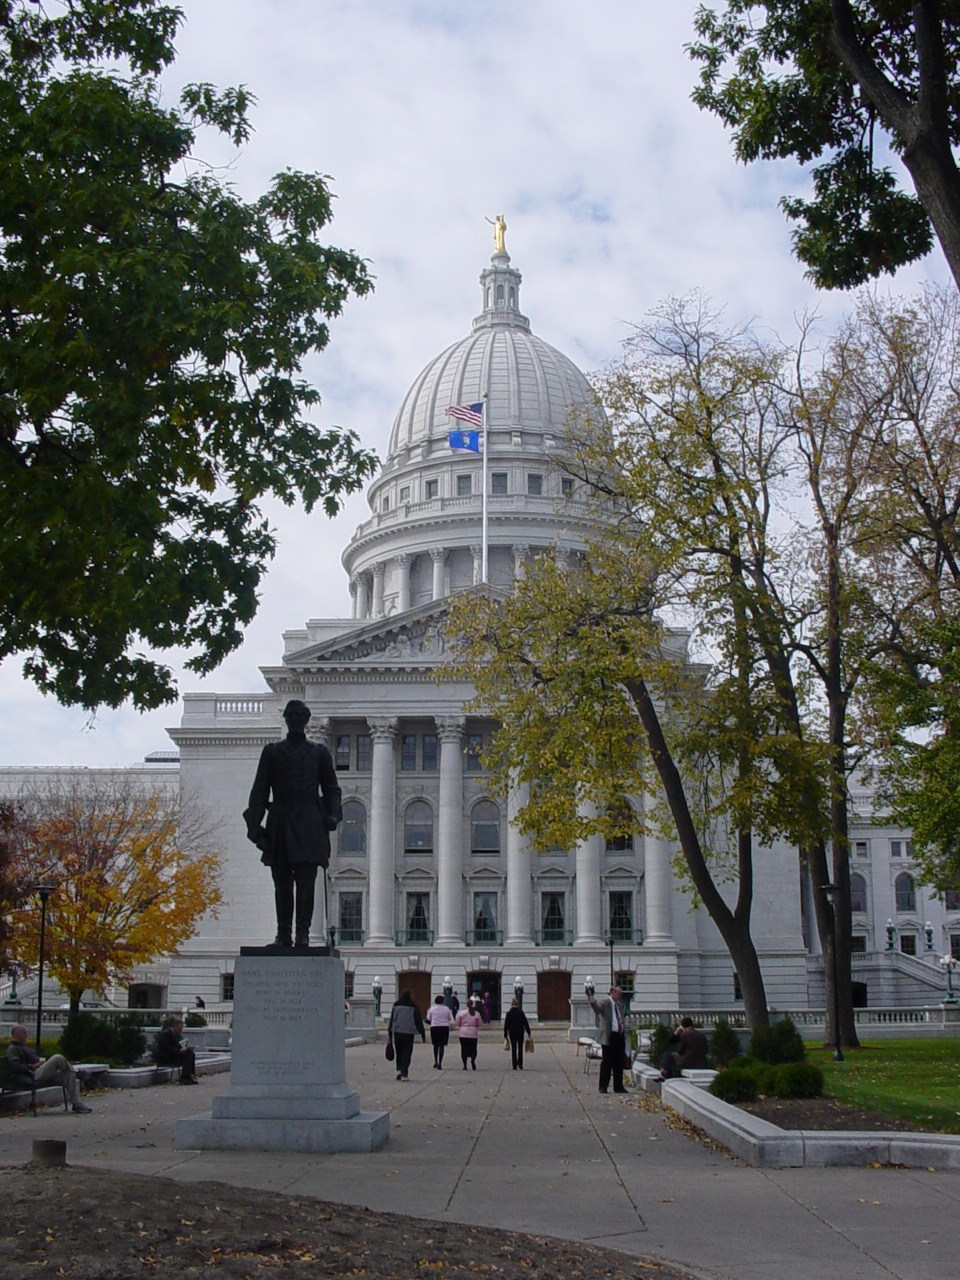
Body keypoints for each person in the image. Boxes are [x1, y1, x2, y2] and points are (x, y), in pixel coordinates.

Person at [244, 699, 342, 947]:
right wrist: (254, 827)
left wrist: (333, 815)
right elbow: (259, 791)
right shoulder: (272, 752)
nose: (296, 721)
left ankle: (303, 935)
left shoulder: (319, 753)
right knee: (282, 883)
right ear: (286, 720)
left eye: (300, 718)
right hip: (281, 820)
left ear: (306, 722)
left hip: (309, 822)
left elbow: (332, 789)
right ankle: (283, 934)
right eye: (292, 717)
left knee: (307, 883)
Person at [5, 1025, 92, 1113]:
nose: (26, 1035)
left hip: (38, 1073)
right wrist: (32, 1066)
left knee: (68, 1075)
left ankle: (77, 1104)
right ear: (16, 1034)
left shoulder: (24, 1047)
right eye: (24, 1032)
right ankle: (77, 1072)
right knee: (57, 1058)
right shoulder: (13, 1049)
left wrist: (41, 1062)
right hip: (31, 1075)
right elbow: (15, 1067)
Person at [588, 985, 627, 1094]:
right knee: (607, 1062)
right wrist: (592, 1003)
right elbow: (598, 1009)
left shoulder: (619, 1005)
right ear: (613, 993)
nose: (620, 996)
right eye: (618, 994)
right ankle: (603, 1086)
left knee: (619, 1062)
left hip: (619, 1035)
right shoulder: (606, 1003)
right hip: (609, 1036)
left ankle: (618, 1086)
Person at [387, 989, 425, 1082]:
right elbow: (418, 1020)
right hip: (409, 1032)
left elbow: (392, 1019)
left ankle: (399, 1070)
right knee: (407, 1053)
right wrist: (422, 1034)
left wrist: (389, 1033)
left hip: (397, 1031)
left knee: (399, 1052)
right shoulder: (413, 1006)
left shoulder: (396, 1005)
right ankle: (404, 1073)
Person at [155, 1017, 198, 1084]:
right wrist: (178, 1051)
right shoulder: (166, 1034)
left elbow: (177, 1046)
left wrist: (186, 1048)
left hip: (172, 1055)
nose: (181, 1030)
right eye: (180, 1028)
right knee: (188, 1055)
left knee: (190, 1053)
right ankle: (184, 1077)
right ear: (175, 1026)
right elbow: (166, 1047)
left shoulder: (174, 1035)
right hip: (166, 1057)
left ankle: (189, 1076)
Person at [426, 994, 454, 1069]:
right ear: (443, 1001)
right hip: (444, 1027)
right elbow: (450, 1018)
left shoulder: (432, 1009)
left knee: (435, 1045)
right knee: (442, 1045)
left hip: (434, 1027)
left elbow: (428, 1018)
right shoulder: (446, 1009)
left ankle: (435, 1061)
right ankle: (440, 1063)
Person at [502, 998, 531, 1070]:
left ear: (511, 1004)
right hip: (520, 1032)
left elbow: (506, 1025)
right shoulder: (521, 1012)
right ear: (517, 1004)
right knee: (520, 1048)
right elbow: (525, 1023)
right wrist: (528, 1032)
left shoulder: (509, 1013)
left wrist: (505, 1034)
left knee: (513, 1048)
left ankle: (514, 1064)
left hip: (512, 1033)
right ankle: (520, 1064)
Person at [456, 1000, 482, 1071]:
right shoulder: (476, 1013)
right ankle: (473, 1060)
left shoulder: (461, 1013)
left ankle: (465, 1065)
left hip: (463, 1033)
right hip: (473, 1033)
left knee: (464, 1048)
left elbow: (457, 1023)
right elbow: (479, 1024)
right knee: (473, 1048)